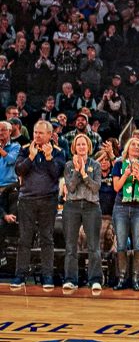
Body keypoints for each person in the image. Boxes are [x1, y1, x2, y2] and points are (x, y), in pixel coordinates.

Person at [11, 120, 65, 289]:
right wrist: (31, 156)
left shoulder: (58, 152)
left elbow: (56, 174)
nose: (37, 135)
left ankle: (47, 276)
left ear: (50, 135)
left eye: (41, 133)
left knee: (46, 239)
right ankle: (19, 276)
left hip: (48, 200)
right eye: (35, 132)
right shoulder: (25, 149)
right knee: (24, 239)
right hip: (27, 200)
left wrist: (48, 158)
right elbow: (19, 170)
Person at [110, 135, 139, 290]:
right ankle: (122, 278)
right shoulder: (119, 164)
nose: (136, 147)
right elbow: (116, 187)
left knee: (138, 244)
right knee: (121, 244)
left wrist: (138, 176)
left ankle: (136, 279)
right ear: (127, 148)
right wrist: (127, 173)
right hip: (121, 207)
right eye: (133, 144)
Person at [62, 133, 103, 291]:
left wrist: (84, 173)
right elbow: (71, 187)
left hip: (91, 206)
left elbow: (95, 187)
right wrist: (78, 171)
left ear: (88, 147)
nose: (81, 147)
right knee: (71, 245)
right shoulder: (68, 165)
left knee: (93, 245)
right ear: (74, 147)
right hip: (72, 206)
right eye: (78, 144)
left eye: (83, 144)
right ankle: (70, 279)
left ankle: (95, 280)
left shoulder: (96, 165)